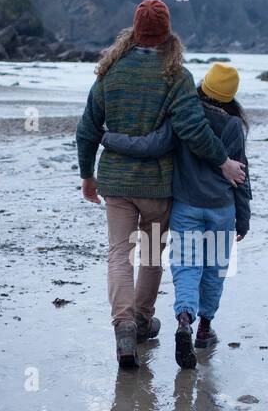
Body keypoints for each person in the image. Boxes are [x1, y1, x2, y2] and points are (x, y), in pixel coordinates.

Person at [75, 0, 246, 369]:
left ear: (134, 32)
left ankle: (123, 324)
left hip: (117, 183)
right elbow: (193, 129)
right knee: (150, 253)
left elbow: (87, 129)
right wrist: (224, 162)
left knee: (119, 254)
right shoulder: (177, 77)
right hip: (157, 187)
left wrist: (87, 175)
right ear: (168, 35)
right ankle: (141, 320)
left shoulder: (110, 73)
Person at [101, 63, 252, 369]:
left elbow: (152, 145)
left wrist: (108, 138)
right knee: (214, 271)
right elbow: (242, 177)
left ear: (204, 86)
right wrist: (244, 218)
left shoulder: (186, 115)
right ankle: (204, 329)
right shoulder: (234, 126)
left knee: (186, 269)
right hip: (222, 210)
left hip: (185, 207)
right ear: (231, 96)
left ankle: (184, 319)